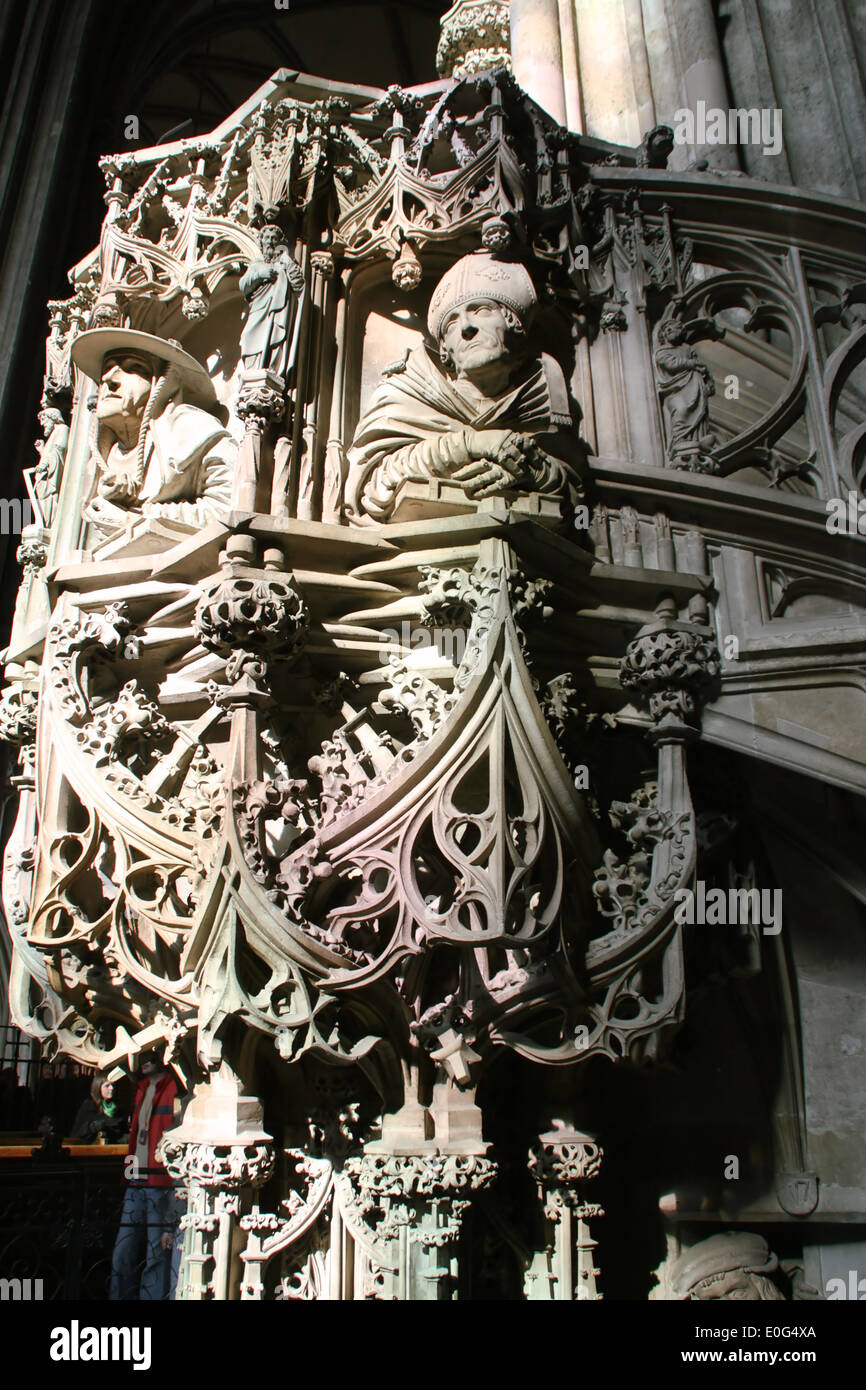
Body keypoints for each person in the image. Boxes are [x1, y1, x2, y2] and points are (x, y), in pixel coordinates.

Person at [343, 250, 584, 524]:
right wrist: (472, 444)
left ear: (512, 323)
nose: (467, 327)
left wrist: (530, 469)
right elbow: (375, 484)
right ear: (445, 349)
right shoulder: (407, 391)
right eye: (452, 322)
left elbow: (577, 499)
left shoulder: (541, 396)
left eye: (481, 310)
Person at [70, 327, 235, 537]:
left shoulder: (192, 429)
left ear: (161, 384)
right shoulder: (99, 460)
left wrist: (138, 519)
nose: (109, 379)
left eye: (134, 368)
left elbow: (229, 508)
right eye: (107, 369)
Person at [108, 1052, 178, 1300]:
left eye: (150, 1055)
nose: (143, 1061)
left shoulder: (172, 1086)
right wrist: (127, 1175)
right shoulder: (141, 1088)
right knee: (123, 1251)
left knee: (156, 1254)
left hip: (159, 1181)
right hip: (136, 1180)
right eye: (141, 1056)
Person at [239, 221, 305, 379]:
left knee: (275, 337)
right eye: (267, 238)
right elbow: (243, 285)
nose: (270, 241)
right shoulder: (256, 265)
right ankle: (252, 369)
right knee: (249, 337)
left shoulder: (285, 263)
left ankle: (271, 370)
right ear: (261, 242)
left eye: (274, 238)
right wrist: (260, 275)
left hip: (277, 312)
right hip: (258, 309)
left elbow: (299, 285)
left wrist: (287, 264)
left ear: (279, 243)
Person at [71, 1073, 128, 1144]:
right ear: (98, 1088)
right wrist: (94, 1127)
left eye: (113, 1085)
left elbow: (124, 1132)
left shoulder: (118, 1108)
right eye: (107, 1086)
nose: (111, 1088)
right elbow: (77, 1133)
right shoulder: (89, 1106)